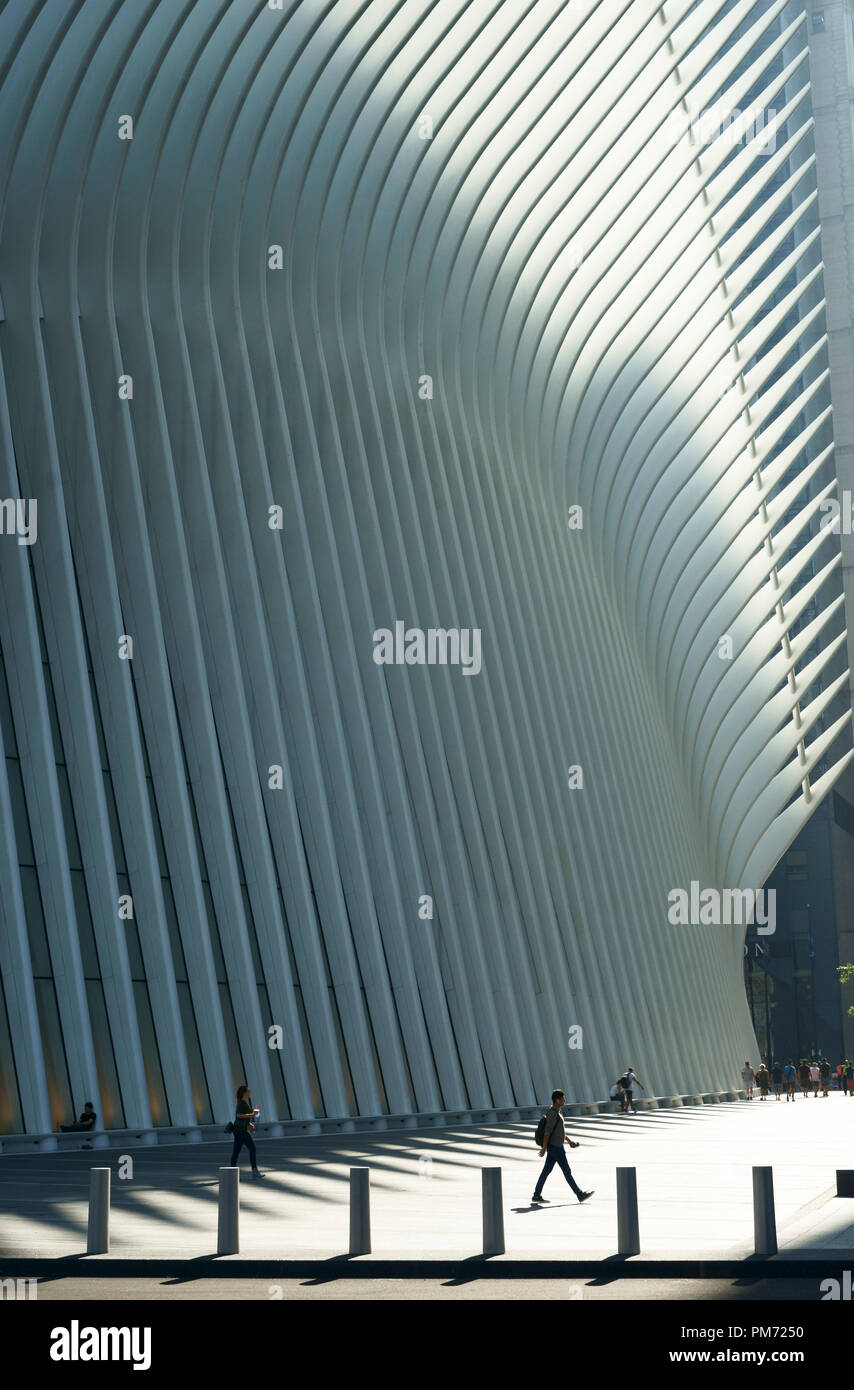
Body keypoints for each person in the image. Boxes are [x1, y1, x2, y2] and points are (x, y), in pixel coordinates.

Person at [532, 1090, 593, 1205]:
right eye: (563, 1098)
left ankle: (536, 1195)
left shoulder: (557, 1112)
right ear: (557, 1100)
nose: (565, 1100)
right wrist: (544, 1148)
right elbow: (547, 1132)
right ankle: (580, 1194)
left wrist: (569, 1141)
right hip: (556, 1148)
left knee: (546, 1171)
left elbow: (559, 1132)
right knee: (567, 1171)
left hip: (555, 1147)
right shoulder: (553, 1114)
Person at [229, 1084, 264, 1178]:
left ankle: (232, 1172)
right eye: (248, 1091)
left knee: (236, 1151)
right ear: (244, 1093)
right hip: (242, 1131)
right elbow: (239, 1115)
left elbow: (242, 1117)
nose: (250, 1093)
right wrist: (252, 1115)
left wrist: (249, 1124)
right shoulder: (242, 1103)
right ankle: (254, 1171)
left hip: (238, 1130)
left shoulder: (242, 1102)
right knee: (252, 1148)